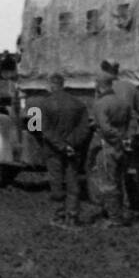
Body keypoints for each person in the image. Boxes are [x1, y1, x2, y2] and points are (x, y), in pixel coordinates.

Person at [34, 73, 92, 227]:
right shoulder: (78, 104)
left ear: (51, 85)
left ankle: (59, 216)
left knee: (57, 183)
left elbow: (43, 130)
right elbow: (84, 129)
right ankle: (73, 216)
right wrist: (71, 144)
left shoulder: (43, 104)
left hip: (53, 151)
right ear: (63, 84)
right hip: (73, 150)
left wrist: (61, 145)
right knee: (73, 183)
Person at [90, 72, 132, 227]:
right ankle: (123, 212)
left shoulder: (100, 104)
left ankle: (114, 218)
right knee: (120, 181)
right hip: (121, 147)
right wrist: (122, 138)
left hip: (107, 146)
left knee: (108, 183)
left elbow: (105, 128)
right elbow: (129, 124)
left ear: (99, 85)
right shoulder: (123, 103)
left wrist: (114, 138)